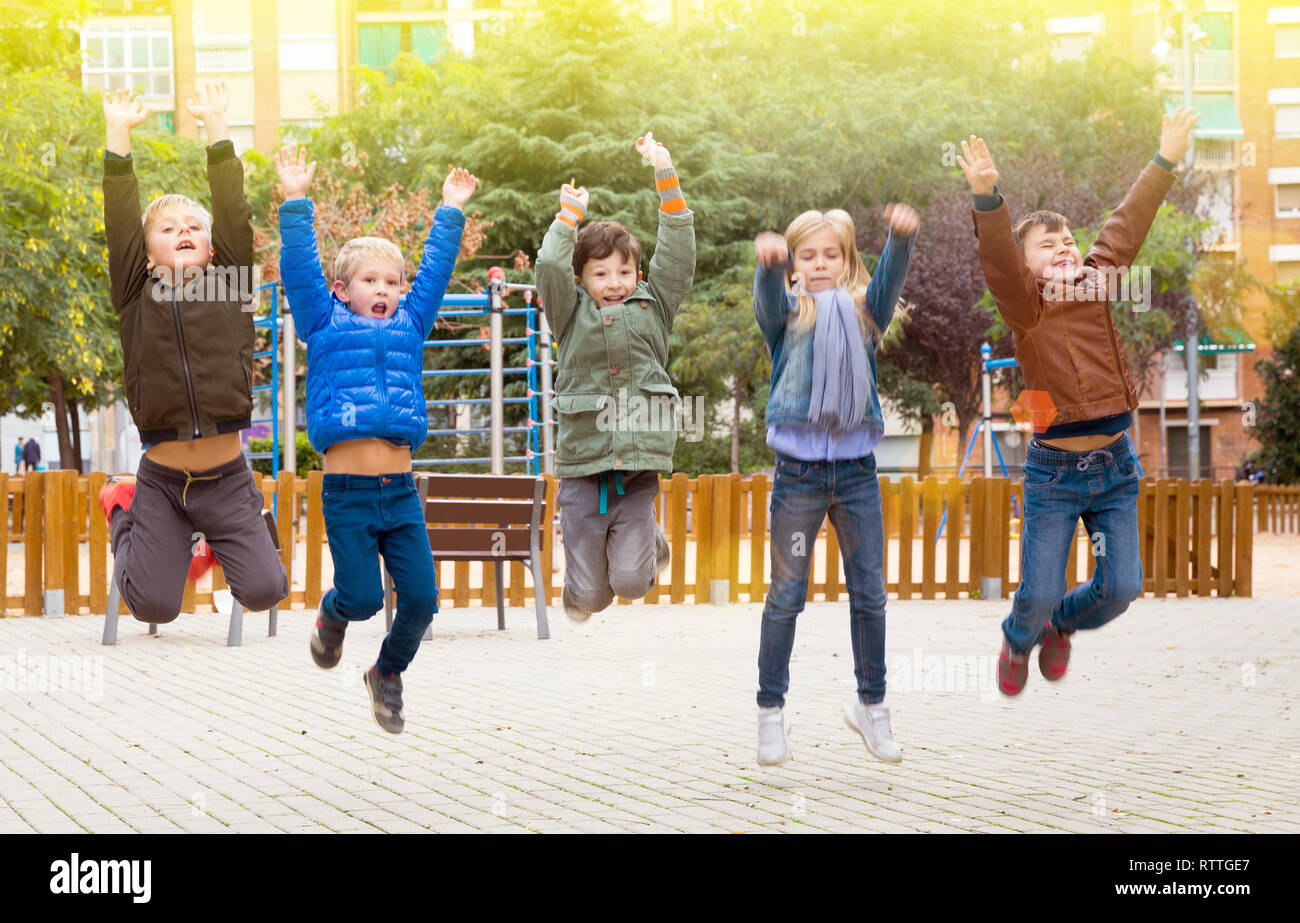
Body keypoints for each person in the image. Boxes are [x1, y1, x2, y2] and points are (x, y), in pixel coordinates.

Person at [956, 107, 1200, 695]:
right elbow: (1000, 263)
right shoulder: (1026, 306)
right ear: (1028, 265)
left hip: (1114, 468)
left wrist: (1165, 159)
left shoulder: (1098, 283)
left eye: (1069, 239)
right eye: (1048, 245)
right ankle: (1020, 637)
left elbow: (1126, 223)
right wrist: (989, 199)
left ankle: (1059, 625)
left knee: (1121, 587)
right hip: (1055, 475)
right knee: (1036, 591)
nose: (1065, 247)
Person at [276, 143, 478, 734]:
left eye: (392, 280)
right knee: (362, 597)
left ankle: (386, 673)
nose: (384, 287)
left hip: (401, 491)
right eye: (370, 279)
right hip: (347, 492)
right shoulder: (323, 321)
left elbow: (436, 272)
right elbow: (299, 269)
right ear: (344, 290)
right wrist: (295, 200)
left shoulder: (411, 324)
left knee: (420, 602)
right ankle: (331, 619)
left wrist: (450, 209)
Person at [95, 85, 287, 626]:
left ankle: (241, 530)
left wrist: (218, 127)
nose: (184, 231)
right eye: (168, 228)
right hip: (160, 480)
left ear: (212, 247)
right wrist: (118, 136)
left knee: (267, 591)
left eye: (194, 228)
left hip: (226, 478)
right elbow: (119, 219)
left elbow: (232, 209)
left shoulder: (230, 285)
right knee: (153, 606)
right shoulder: (135, 291)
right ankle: (121, 510)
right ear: (149, 255)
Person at [751, 202, 918, 766]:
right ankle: (770, 712)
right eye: (807, 255)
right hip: (798, 477)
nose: (820, 264)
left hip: (855, 476)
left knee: (869, 593)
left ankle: (872, 707)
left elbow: (890, 282)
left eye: (831, 255)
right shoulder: (788, 316)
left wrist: (897, 239)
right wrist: (769, 267)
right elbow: (766, 300)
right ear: (796, 264)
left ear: (847, 263)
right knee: (787, 595)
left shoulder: (866, 315)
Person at [534, 132, 694, 623]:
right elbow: (547, 265)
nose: (615, 283)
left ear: (638, 273)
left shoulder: (655, 304)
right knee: (590, 599)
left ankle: (650, 542)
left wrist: (664, 174)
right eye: (601, 274)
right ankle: (586, 586)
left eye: (625, 272)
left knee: (630, 583)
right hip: (583, 472)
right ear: (581, 280)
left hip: (637, 471)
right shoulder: (568, 314)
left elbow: (679, 252)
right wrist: (568, 217)